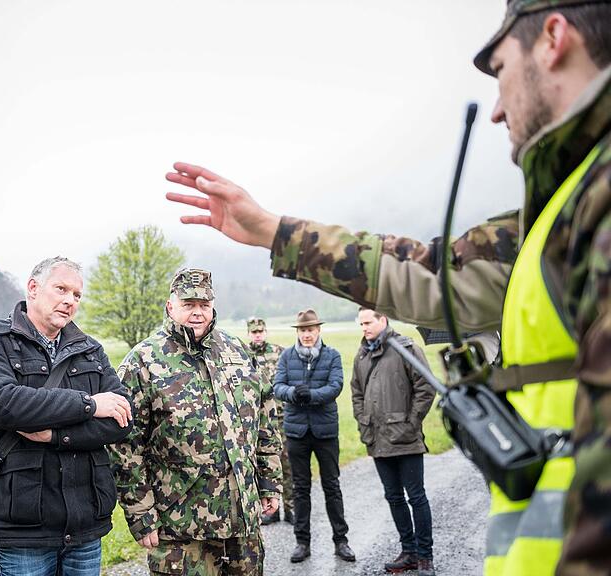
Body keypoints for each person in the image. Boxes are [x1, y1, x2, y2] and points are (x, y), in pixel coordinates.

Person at [164, 2, 611, 573]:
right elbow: (436, 275)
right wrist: (275, 233)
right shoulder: (564, 205)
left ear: (553, 37)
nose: (497, 110)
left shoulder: (597, 198)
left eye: (499, 70)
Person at [109, 268, 282, 576]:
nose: (197, 312)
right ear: (170, 305)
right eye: (188, 304)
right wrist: (140, 514)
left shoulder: (237, 351)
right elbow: (125, 445)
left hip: (242, 522)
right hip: (180, 526)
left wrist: (269, 481)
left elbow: (265, 417)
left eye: (204, 304)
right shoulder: (143, 361)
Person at [0, 256, 132, 576]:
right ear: (33, 287)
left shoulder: (89, 349)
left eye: (77, 295)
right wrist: (89, 405)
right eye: (61, 289)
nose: (70, 300)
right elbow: (2, 405)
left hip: (85, 524)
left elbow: (122, 418)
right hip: (20, 528)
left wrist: (56, 435)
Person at [352, 308, 436, 576]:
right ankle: (408, 552)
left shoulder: (406, 348)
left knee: (416, 497)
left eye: (368, 322)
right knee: (394, 497)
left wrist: (411, 424)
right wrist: (363, 421)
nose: (364, 328)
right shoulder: (362, 354)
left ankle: (425, 557)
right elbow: (356, 392)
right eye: (361, 323)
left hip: (406, 439)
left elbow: (426, 387)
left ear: (383, 320)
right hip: (377, 440)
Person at [273, 309, 355, 564]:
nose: (306, 334)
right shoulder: (286, 356)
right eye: (302, 330)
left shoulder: (332, 355)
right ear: (297, 332)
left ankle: (341, 541)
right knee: (301, 489)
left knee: (332, 486)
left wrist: (312, 395)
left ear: (318, 330)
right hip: (297, 432)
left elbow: (336, 386)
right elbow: (278, 386)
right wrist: (292, 394)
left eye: (310, 330)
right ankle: (302, 542)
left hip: (325, 431)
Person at [246, 317, 293, 526]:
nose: (258, 335)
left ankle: (291, 507)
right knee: (263, 464)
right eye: (254, 332)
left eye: (260, 331)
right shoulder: (243, 355)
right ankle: (269, 510)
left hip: (281, 418)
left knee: (287, 463)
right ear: (249, 334)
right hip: (258, 420)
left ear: (266, 332)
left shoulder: (280, 352)